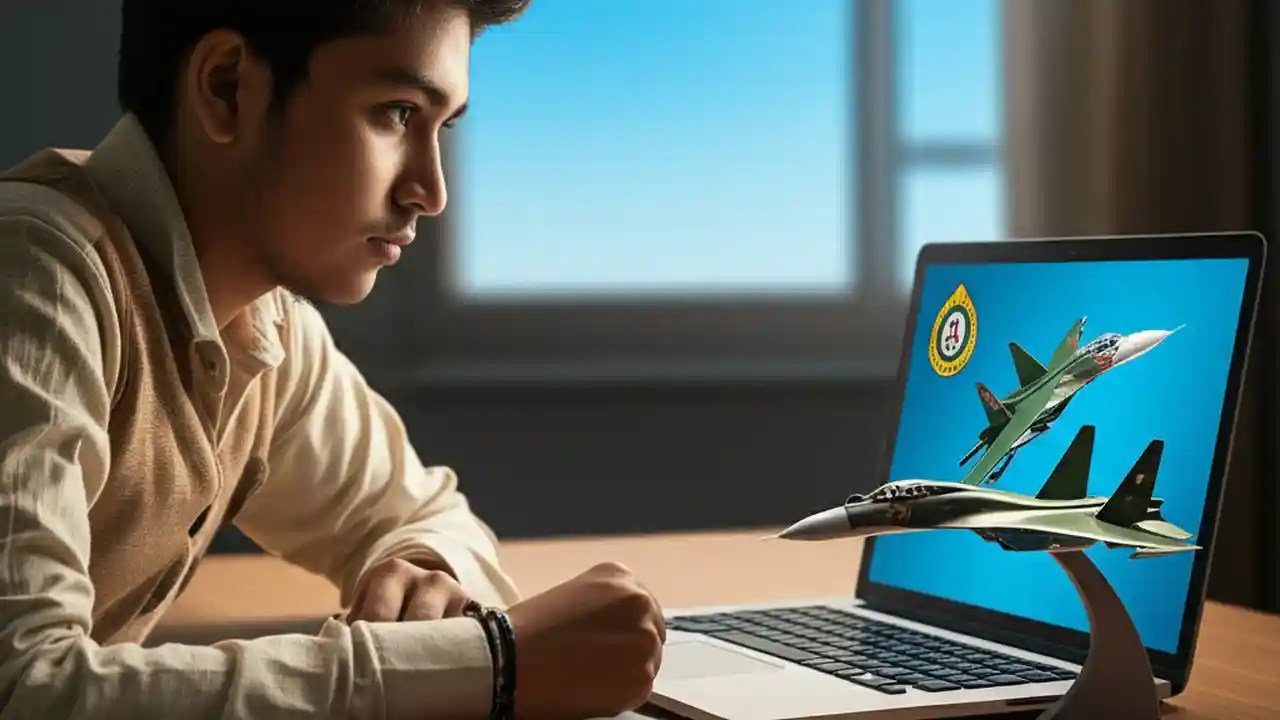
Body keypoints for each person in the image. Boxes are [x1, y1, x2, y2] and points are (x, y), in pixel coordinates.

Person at [0, 1, 666, 718]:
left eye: (443, 128)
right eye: (399, 113)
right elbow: (25, 686)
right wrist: (490, 663)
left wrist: (425, 573)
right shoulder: (35, 277)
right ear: (226, 87)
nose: (431, 192)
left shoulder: (264, 329)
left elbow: (425, 514)